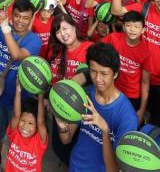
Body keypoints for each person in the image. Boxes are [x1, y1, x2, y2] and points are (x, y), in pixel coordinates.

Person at [0, 0, 43, 172]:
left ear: (31, 18)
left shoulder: (34, 40)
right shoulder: (2, 29)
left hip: (20, 101)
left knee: (17, 137)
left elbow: (17, 54)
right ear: (12, 15)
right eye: (17, 16)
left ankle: (13, 164)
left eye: (25, 17)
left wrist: (5, 28)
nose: (20, 21)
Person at [57, 43, 137, 172]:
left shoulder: (127, 117)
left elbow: (113, 169)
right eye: (93, 72)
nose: (98, 79)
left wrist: (105, 130)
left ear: (115, 74)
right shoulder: (86, 95)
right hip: (75, 166)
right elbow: (66, 139)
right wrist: (62, 127)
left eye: (104, 74)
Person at [101, 9, 150, 124]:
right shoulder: (113, 38)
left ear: (143, 30)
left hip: (132, 96)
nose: (132, 29)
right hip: (112, 89)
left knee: (126, 124)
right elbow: (99, 50)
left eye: (136, 27)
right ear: (123, 27)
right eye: (128, 25)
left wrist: (142, 109)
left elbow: (145, 82)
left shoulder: (146, 52)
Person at [5, 82, 48, 172]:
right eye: (22, 120)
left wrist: (41, 96)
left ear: (37, 126)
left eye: (30, 123)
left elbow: (41, 123)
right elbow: (16, 114)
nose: (25, 126)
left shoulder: (39, 141)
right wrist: (18, 89)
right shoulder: (15, 133)